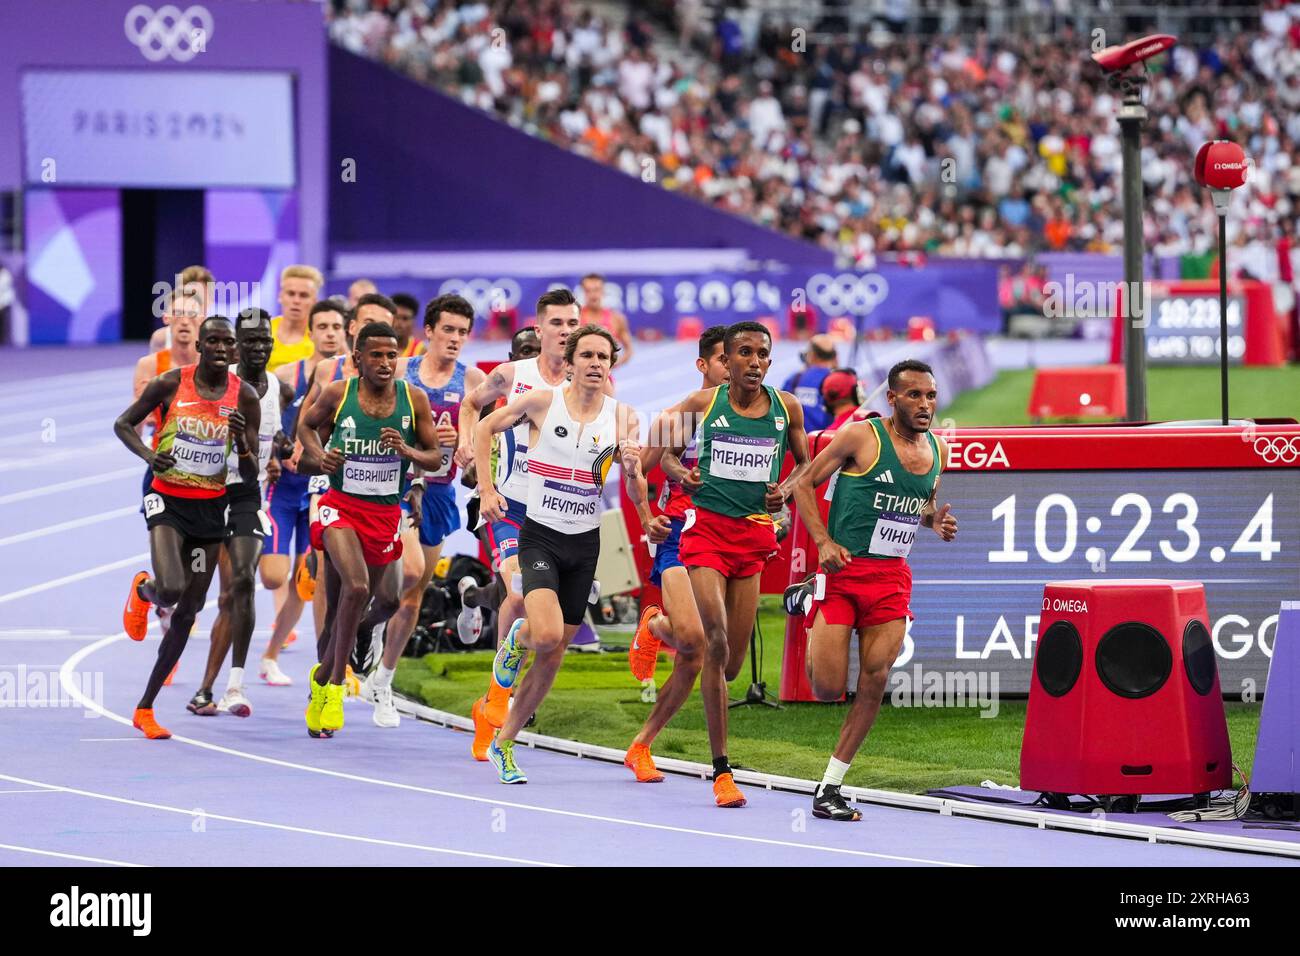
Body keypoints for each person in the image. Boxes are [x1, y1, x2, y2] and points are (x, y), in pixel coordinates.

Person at [472, 325, 648, 783]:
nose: (594, 363)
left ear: (611, 366)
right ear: (568, 362)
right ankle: (516, 640)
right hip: (541, 536)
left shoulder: (624, 417)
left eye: (603, 357)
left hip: (585, 543)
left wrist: (636, 482)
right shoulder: (541, 403)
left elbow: (634, 482)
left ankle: (504, 743)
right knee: (545, 636)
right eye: (586, 355)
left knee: (554, 654)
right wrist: (486, 489)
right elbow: (485, 426)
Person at [789, 359, 957, 821]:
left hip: (890, 580)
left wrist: (933, 520)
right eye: (914, 395)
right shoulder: (863, 436)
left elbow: (918, 506)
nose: (925, 404)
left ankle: (831, 785)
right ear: (893, 398)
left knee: (875, 680)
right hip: (843, 574)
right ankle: (810, 597)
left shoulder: (938, 450)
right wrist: (822, 540)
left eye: (930, 396)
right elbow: (803, 482)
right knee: (825, 688)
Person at [456, 290, 614, 759]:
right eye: (558, 323)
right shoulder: (513, 376)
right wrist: (475, 464)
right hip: (513, 507)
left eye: (573, 323)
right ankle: (496, 700)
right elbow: (471, 406)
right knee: (521, 595)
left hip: (565, 516)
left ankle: (496, 701)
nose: (566, 331)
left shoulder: (597, 381)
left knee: (545, 630)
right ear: (540, 329)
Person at [659, 320, 810, 807]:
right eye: (743, 353)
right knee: (716, 642)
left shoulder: (787, 408)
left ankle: (655, 626)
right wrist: (686, 475)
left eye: (762, 354)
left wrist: (782, 491)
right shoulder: (702, 405)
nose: (754, 362)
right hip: (706, 532)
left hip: (752, 536)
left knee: (731, 666)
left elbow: (806, 465)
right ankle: (722, 770)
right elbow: (663, 457)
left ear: (770, 359)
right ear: (726, 361)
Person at [115, 316, 261, 739]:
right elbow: (123, 423)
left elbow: (249, 477)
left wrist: (245, 444)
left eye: (226, 343)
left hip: (211, 510)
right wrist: (147, 454)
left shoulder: (244, 397)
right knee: (172, 587)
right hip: (167, 500)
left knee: (188, 613)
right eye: (212, 341)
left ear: (234, 351)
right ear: (198, 345)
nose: (220, 348)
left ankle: (145, 709)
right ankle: (146, 590)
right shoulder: (168, 383)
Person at [297, 321, 445, 738]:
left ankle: (334, 657)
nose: (384, 362)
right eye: (375, 355)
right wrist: (319, 455)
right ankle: (331, 686)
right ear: (357, 357)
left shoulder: (412, 399)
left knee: (388, 601)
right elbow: (306, 427)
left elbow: (434, 458)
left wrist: (407, 450)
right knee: (356, 588)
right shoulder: (337, 393)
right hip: (340, 508)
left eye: (391, 355)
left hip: (384, 515)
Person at [360, 294, 485, 727]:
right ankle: (372, 621)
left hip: (438, 494)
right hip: (394, 489)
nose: (454, 339)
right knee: (409, 570)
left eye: (462, 333)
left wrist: (463, 448)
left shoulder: (474, 384)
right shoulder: (399, 371)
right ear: (428, 332)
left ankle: (384, 681)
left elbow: (479, 445)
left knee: (413, 597)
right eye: (447, 330)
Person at [622, 325, 730, 783]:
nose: (739, 365)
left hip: (729, 539)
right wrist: (647, 514)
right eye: (728, 358)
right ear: (703, 365)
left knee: (699, 655)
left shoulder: (757, 417)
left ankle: (641, 745)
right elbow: (636, 471)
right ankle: (655, 626)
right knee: (693, 640)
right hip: (681, 536)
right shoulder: (681, 416)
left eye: (747, 356)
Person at [189, 310, 294, 717]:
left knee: (241, 586)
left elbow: (279, 435)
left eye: (264, 340)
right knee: (186, 594)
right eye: (249, 340)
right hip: (201, 494)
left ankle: (224, 687)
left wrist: (280, 450)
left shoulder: (279, 391)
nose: (259, 347)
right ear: (235, 342)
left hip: (246, 496)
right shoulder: (217, 381)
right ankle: (153, 593)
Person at [259, 301, 347, 685]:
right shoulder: (283, 376)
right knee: (273, 578)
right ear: (310, 332)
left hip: (320, 490)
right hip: (283, 490)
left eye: (336, 326)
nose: (329, 332)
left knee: (307, 579)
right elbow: (266, 430)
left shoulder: (352, 380)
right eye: (322, 326)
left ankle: (274, 656)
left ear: (346, 332)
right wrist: (280, 454)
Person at [455, 325, 540, 642]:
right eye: (526, 352)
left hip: (542, 509)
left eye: (538, 351)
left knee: (512, 593)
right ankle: (503, 687)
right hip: (498, 506)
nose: (533, 358)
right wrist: (476, 467)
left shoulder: (557, 399)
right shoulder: (495, 406)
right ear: (512, 360)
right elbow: (468, 473)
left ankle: (471, 597)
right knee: (515, 592)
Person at [267, 265, 324, 372]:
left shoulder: (321, 338)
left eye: (304, 295)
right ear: (280, 296)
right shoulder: (264, 331)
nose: (296, 301)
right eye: (291, 294)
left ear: (315, 301)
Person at [149, 266, 214, 353]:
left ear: (210, 299)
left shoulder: (221, 338)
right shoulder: (161, 338)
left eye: (197, 296)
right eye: (186, 295)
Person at [781, 334, 839, 433]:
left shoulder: (795, 379)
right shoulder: (838, 381)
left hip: (796, 443)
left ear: (812, 354)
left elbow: (780, 410)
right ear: (834, 357)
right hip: (826, 442)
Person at [579, 273, 633, 367]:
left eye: (596, 290)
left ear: (603, 291)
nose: (593, 295)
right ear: (583, 292)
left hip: (606, 378)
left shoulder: (617, 319)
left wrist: (615, 363)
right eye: (588, 291)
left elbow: (629, 350)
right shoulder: (575, 318)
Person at [390, 292, 425, 357]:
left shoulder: (421, 351)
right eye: (396, 317)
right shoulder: (378, 347)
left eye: (405, 318)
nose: (399, 323)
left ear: (413, 322)